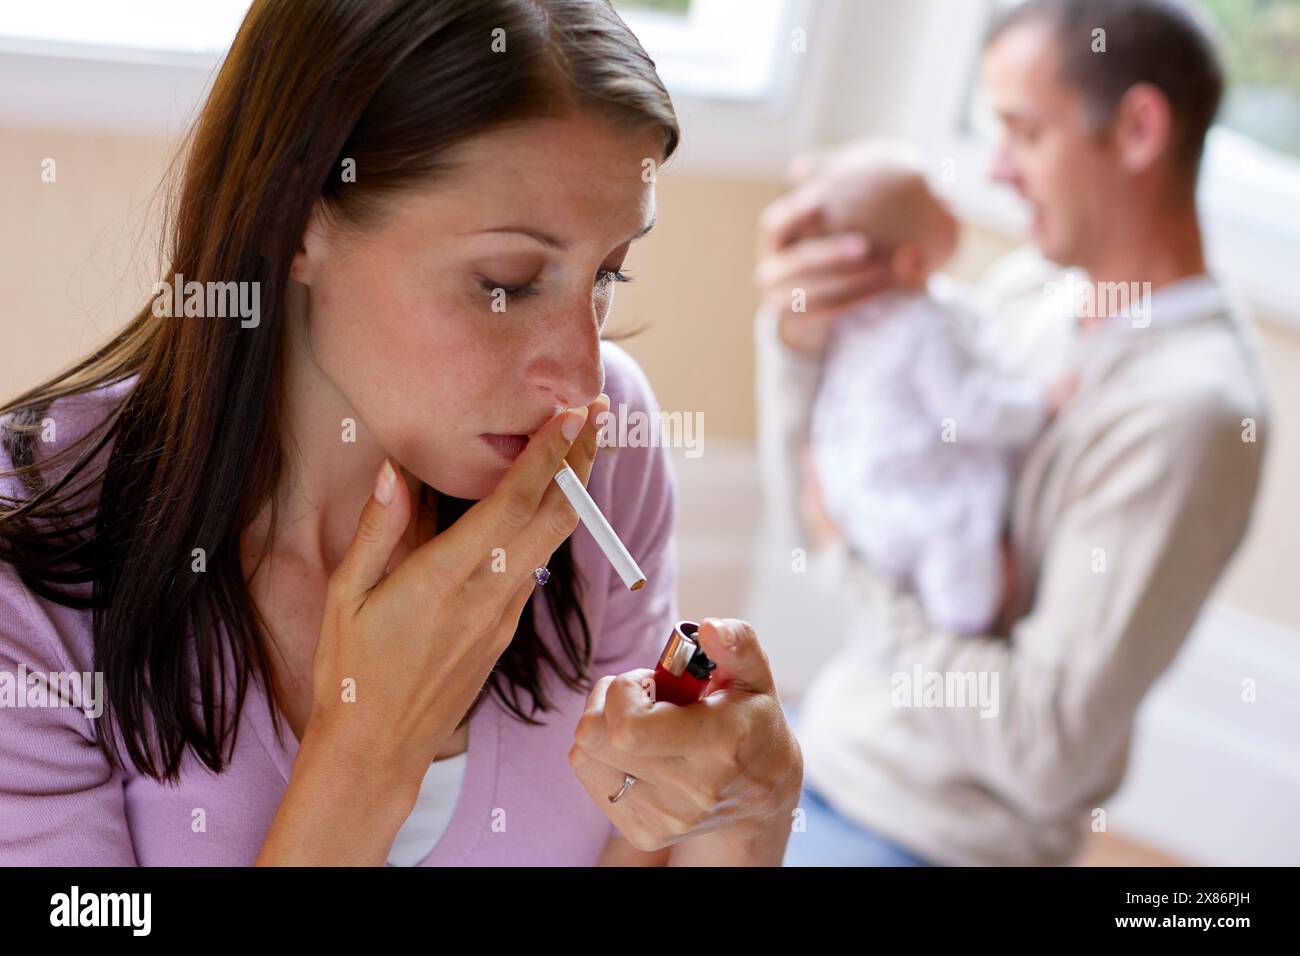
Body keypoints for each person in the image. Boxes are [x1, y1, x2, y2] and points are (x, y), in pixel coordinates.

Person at [0, 0, 802, 867]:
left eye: (608, 273)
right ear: (295, 219)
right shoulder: (27, 582)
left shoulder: (602, 446)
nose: (577, 374)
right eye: (505, 281)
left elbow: (642, 842)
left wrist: (750, 807)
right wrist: (368, 749)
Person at [756, 0, 1269, 866]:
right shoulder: (1030, 294)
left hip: (928, 838)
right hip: (820, 748)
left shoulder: (1190, 411)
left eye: (1024, 133)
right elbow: (812, 513)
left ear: (1139, 129)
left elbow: (1043, 750)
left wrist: (843, 558)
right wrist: (799, 347)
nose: (996, 171)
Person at [803, 143, 1075, 636]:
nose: (955, 203)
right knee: (959, 537)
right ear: (909, 262)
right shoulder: (927, 328)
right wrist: (1041, 403)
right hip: (910, 496)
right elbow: (973, 409)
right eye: (940, 202)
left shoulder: (862, 315)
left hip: (853, 486)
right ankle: (965, 625)